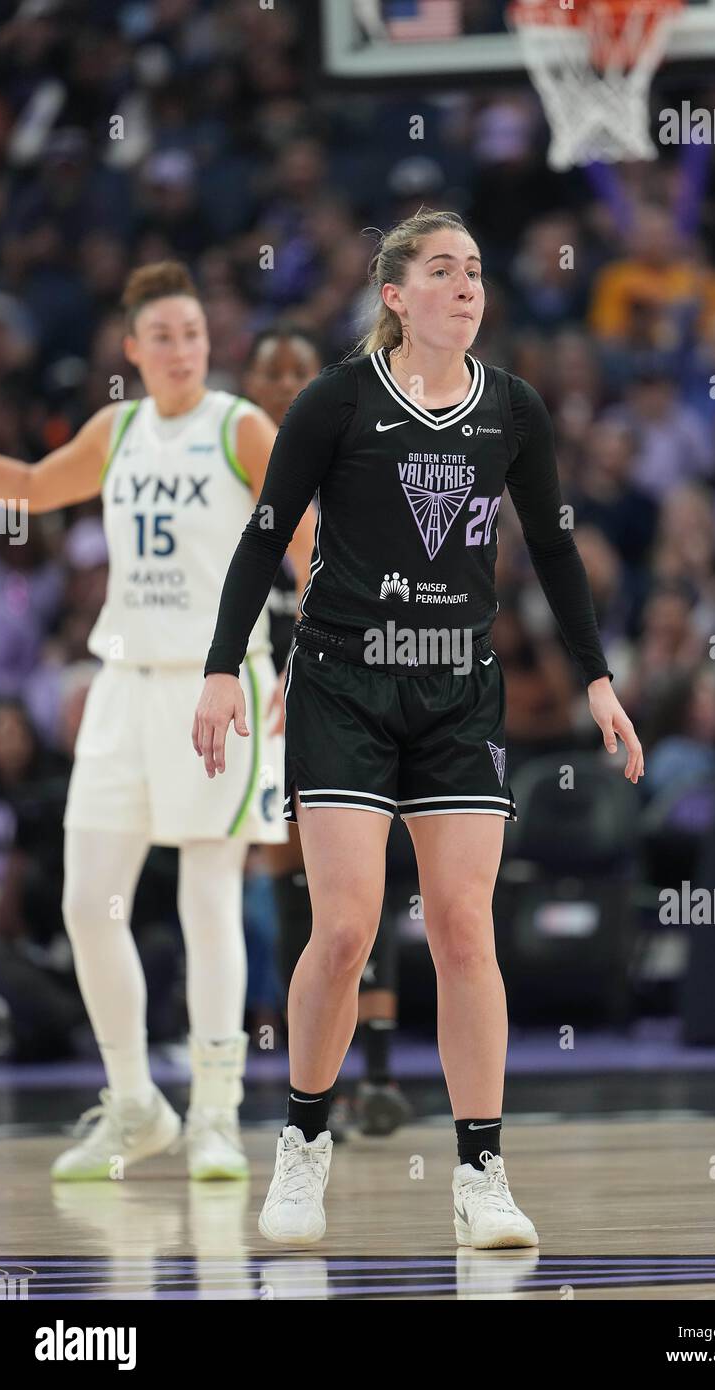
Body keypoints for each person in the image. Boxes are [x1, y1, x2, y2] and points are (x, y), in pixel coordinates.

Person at [194, 210, 644, 1249]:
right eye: (441, 270)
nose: (466, 285)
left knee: (461, 929)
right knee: (346, 926)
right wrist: (222, 667)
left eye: (476, 270)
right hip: (345, 686)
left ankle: (480, 1171)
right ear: (394, 295)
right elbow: (266, 536)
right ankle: (303, 1143)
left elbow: (557, 550)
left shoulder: (514, 411)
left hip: (455, 693)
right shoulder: (334, 400)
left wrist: (596, 679)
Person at [0, 261, 316, 1181]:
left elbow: (312, 548)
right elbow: (34, 486)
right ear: (131, 350)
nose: (180, 349)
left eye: (195, 334)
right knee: (88, 902)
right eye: (162, 335)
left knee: (206, 897)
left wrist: (309, 660)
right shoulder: (117, 428)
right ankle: (134, 1103)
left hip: (219, 683)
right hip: (124, 683)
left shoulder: (239, 427)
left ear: (211, 347)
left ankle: (215, 1112)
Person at [242, 323, 413, 1139]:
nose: (281, 383)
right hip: (258, 697)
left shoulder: (345, 450)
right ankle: (310, 1077)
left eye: (296, 370)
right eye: (268, 372)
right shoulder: (234, 459)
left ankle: (373, 1077)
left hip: (336, 686)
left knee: (358, 889)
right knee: (289, 884)